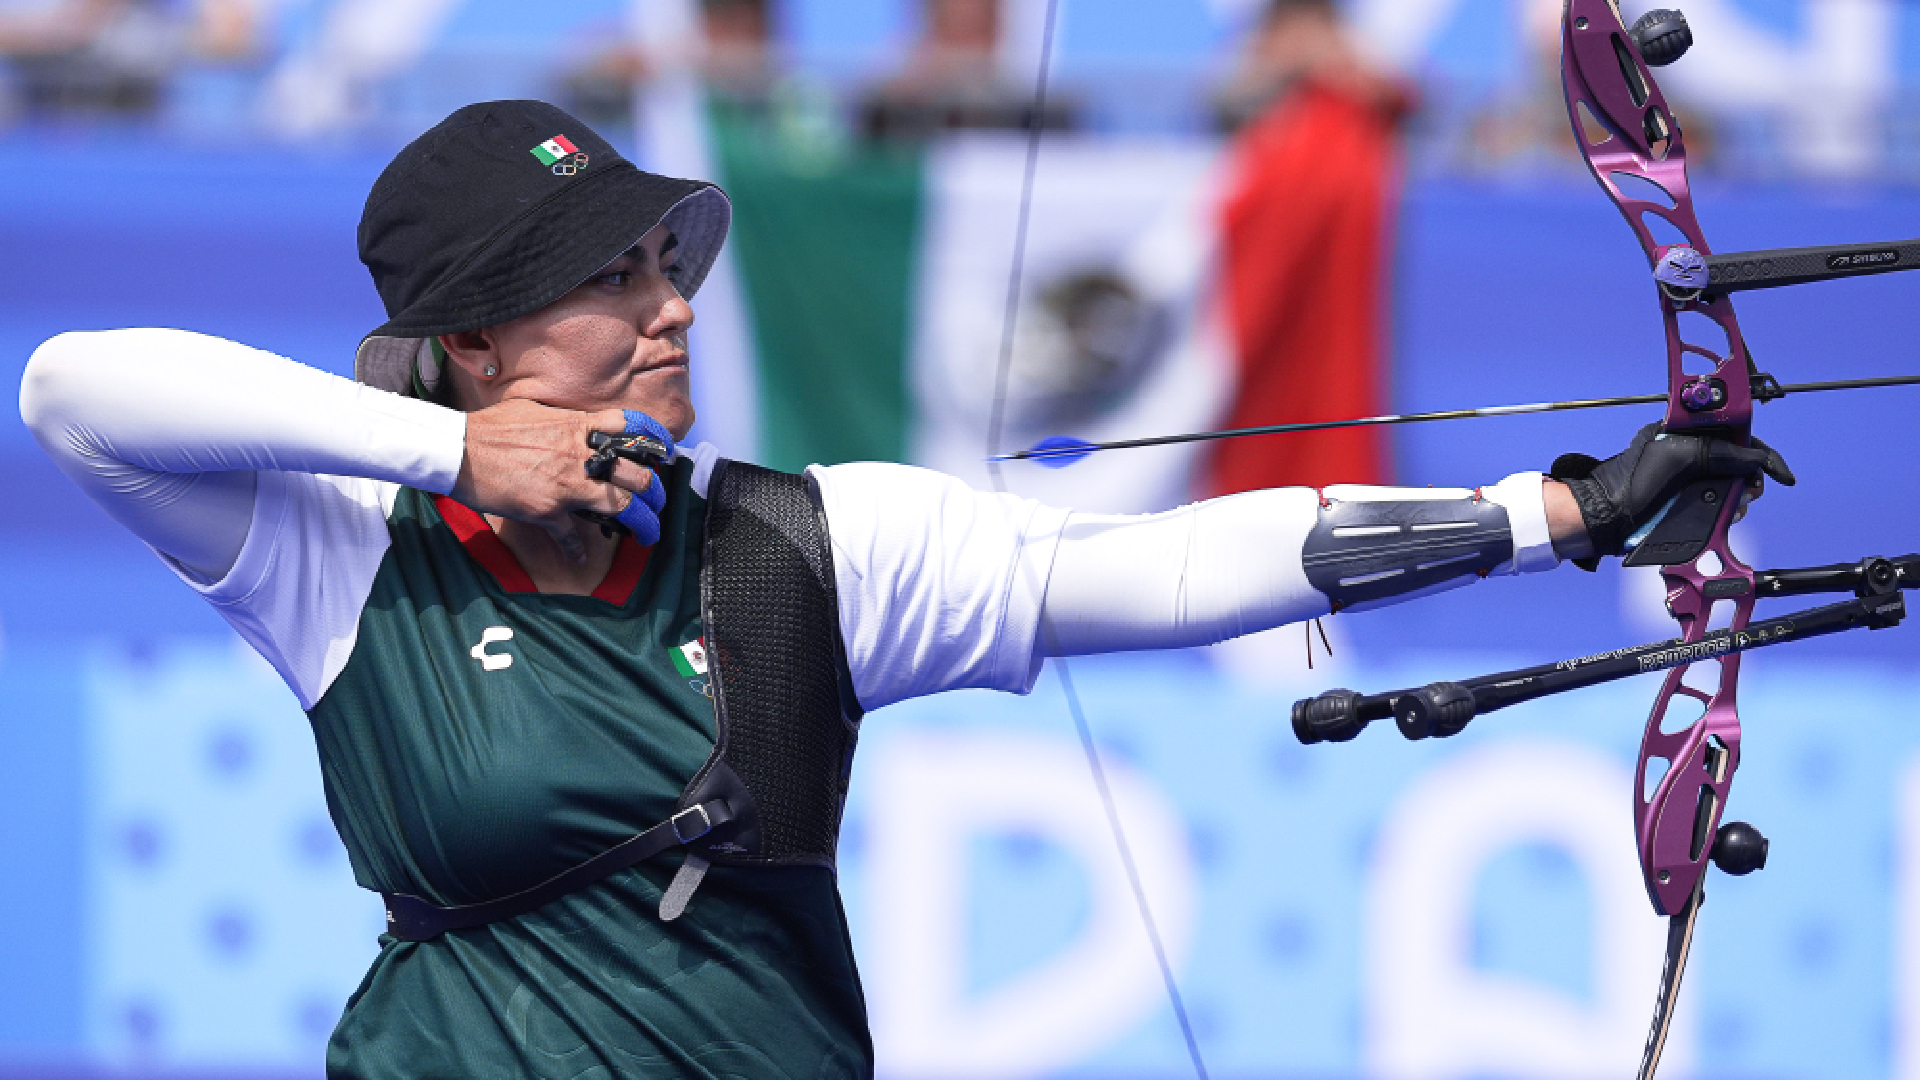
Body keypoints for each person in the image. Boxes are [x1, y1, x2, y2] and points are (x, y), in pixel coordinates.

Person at [17, 100, 1790, 1079]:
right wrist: (451, 458)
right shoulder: (341, 551)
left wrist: (1551, 511)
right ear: (472, 341)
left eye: (664, 265)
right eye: (603, 283)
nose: (670, 308)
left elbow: (1162, 566)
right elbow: (75, 388)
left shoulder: (805, 542)